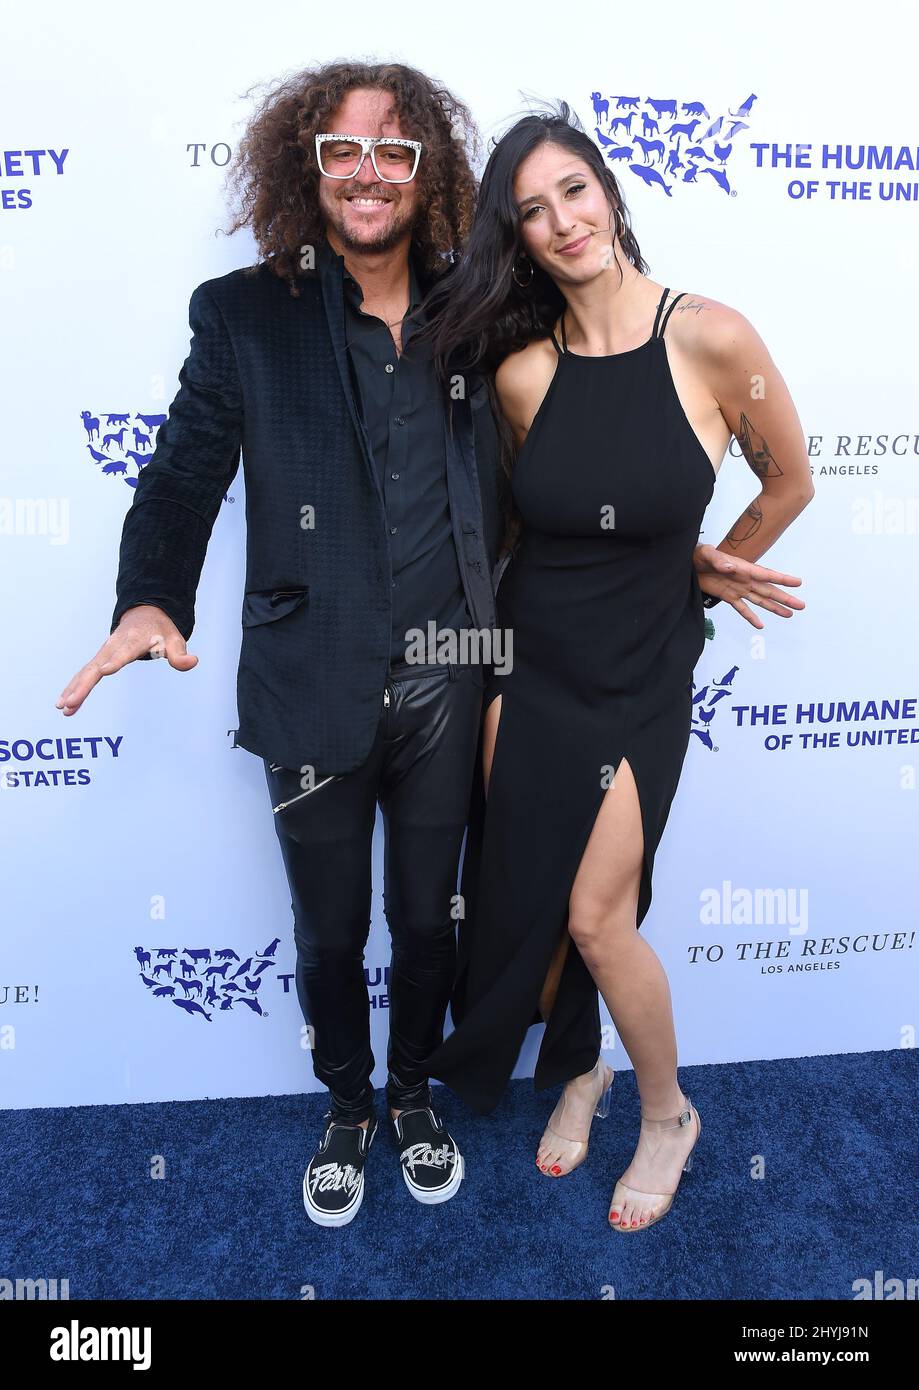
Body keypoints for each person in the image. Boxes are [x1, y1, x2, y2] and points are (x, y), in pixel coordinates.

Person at [54, 62, 505, 1227]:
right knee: (328, 928)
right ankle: (347, 1104)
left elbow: (559, 451)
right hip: (310, 675)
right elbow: (185, 470)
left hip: (454, 679)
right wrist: (150, 597)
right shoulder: (245, 311)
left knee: (426, 919)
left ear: (427, 172)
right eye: (343, 150)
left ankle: (414, 1093)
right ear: (306, 164)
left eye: (393, 151)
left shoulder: (480, 305)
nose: (367, 171)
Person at [419, 102, 812, 1232]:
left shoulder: (711, 338)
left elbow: (788, 479)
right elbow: (522, 537)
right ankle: (576, 1069)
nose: (560, 222)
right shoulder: (522, 374)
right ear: (519, 236)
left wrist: (706, 567)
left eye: (573, 191)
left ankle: (666, 1111)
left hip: (641, 677)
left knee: (598, 915)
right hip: (530, 671)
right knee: (532, 910)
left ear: (607, 191)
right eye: (530, 212)